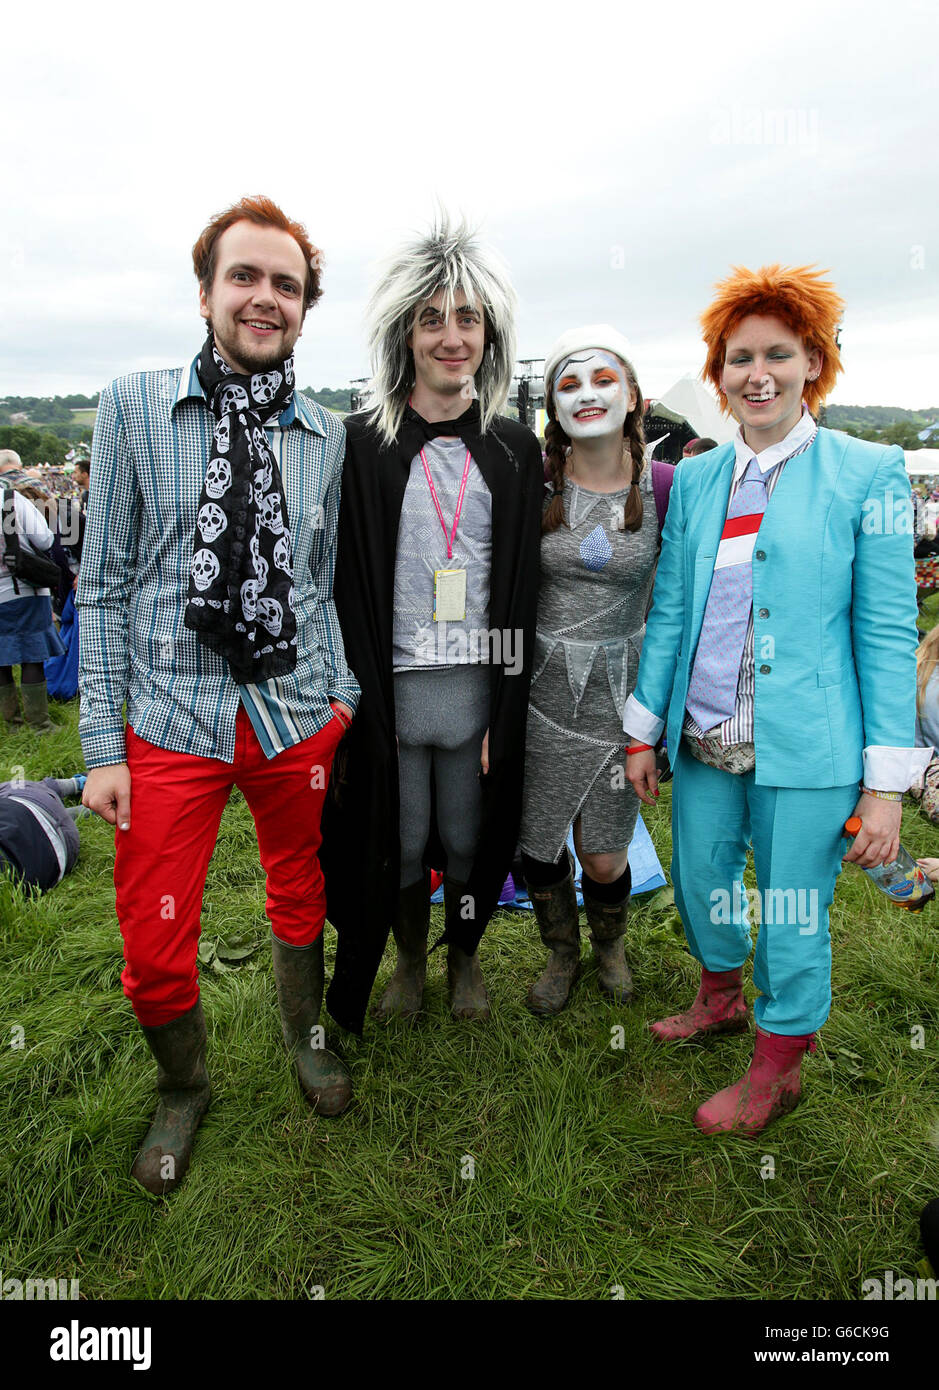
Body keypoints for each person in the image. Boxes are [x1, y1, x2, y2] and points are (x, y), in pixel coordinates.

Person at [78, 195, 360, 1196]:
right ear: (206, 292)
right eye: (244, 276)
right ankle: (184, 1084)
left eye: (285, 284)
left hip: (293, 714)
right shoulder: (133, 405)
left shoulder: (326, 433)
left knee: (301, 891)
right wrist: (103, 742)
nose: (264, 297)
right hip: (168, 721)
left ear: (303, 306)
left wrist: (344, 700)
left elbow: (325, 582)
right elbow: (103, 581)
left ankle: (307, 1037)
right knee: (155, 941)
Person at [625, 264, 931, 1136]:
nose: (756, 373)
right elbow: (673, 610)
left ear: (812, 364)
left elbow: (884, 633)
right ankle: (718, 994)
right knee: (697, 884)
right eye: (737, 357)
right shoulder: (695, 479)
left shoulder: (868, 472)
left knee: (792, 912)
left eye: (777, 355)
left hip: (811, 748)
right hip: (702, 737)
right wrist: (644, 729)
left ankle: (776, 1067)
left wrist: (883, 786)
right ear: (717, 373)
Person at [320, 215, 543, 1032]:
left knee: (469, 836)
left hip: (477, 690)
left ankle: (467, 957)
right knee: (404, 841)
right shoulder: (361, 446)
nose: (451, 337)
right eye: (431, 318)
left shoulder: (515, 449)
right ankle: (409, 961)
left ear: (491, 335)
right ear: (403, 334)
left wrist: (504, 703)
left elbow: (521, 591)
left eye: (468, 319)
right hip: (393, 691)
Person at [518, 327, 658, 1014]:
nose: (587, 394)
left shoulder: (665, 485)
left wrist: (654, 715)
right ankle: (560, 953)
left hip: (619, 699)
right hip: (537, 697)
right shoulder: (532, 482)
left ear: (631, 395)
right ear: (551, 405)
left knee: (603, 853)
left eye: (602, 379)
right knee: (539, 846)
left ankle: (609, 944)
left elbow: (674, 605)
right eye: (568, 384)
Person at [0, 475, 65, 730]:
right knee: (32, 657)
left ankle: (12, 725)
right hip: (23, 588)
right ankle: (41, 725)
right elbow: (45, 540)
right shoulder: (10, 501)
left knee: (1, 661)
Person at [0, 775, 87, 892]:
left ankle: (87, 810)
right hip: (36, 805)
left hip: (64, 853)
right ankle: (78, 783)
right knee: (15, 787)